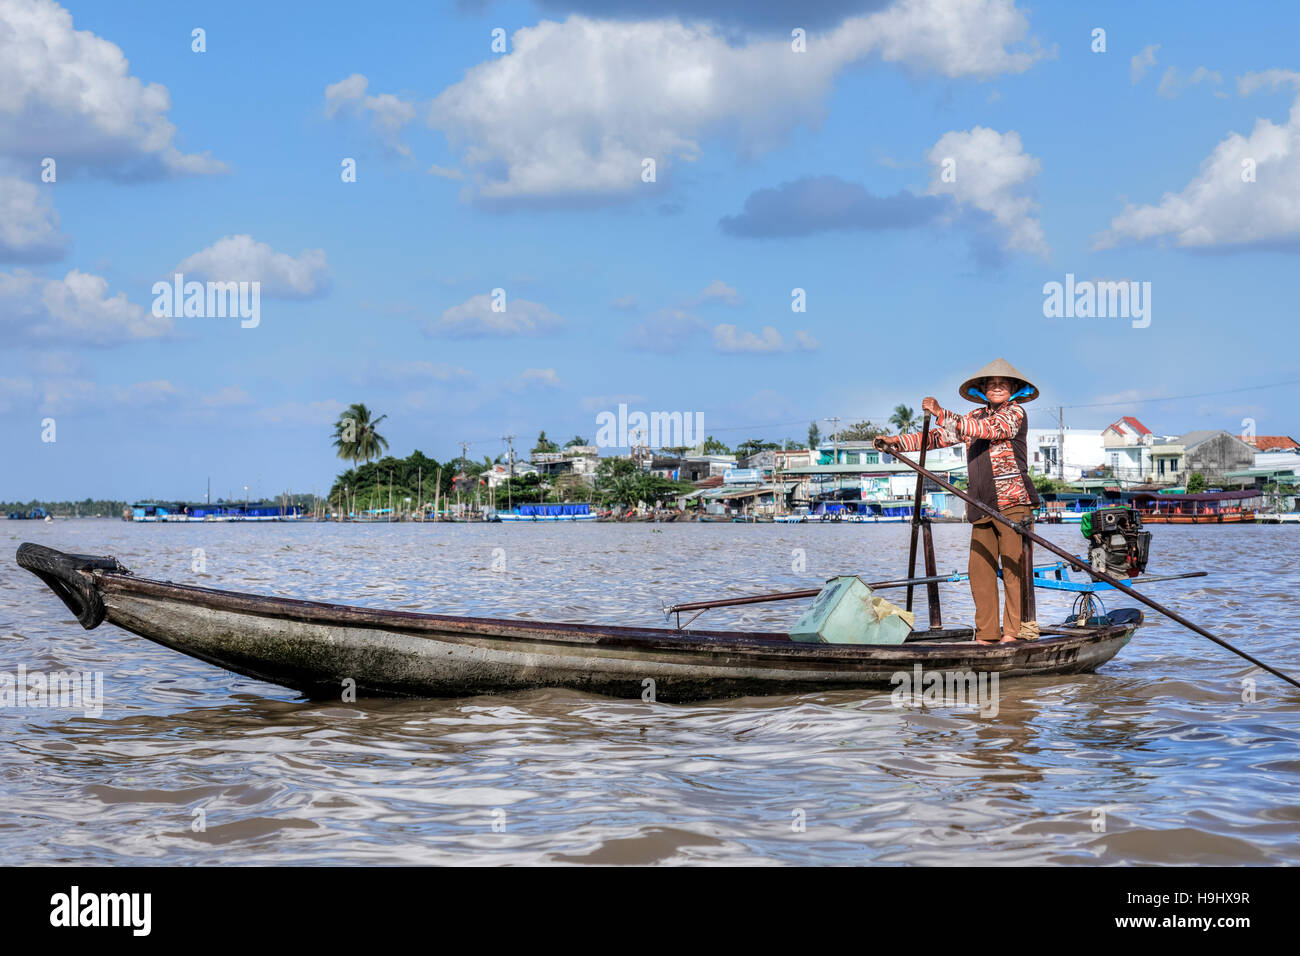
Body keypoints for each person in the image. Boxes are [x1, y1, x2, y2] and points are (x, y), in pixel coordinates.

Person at [876, 359, 1041, 645]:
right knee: (979, 572)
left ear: (1013, 388)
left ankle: (1012, 633)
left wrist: (941, 412)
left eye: (1003, 384)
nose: (997, 388)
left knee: (1014, 571)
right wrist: (896, 442)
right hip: (980, 505)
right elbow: (938, 437)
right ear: (984, 389)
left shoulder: (1014, 413)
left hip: (1013, 503)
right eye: (992, 384)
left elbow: (988, 430)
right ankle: (988, 634)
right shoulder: (975, 415)